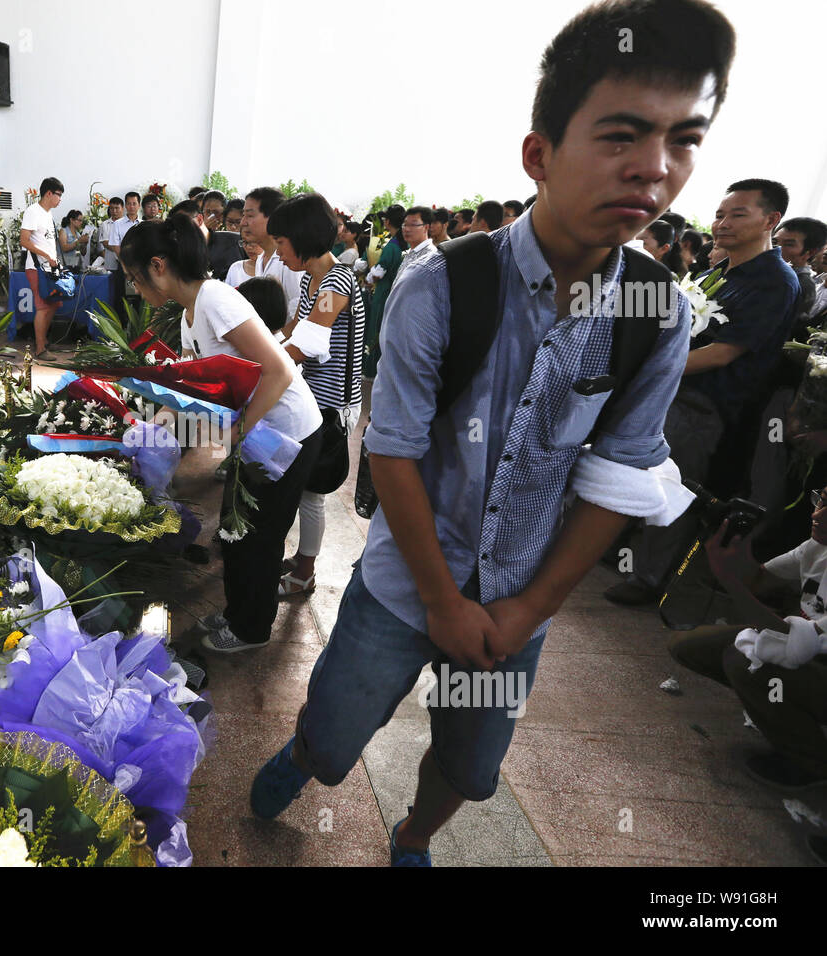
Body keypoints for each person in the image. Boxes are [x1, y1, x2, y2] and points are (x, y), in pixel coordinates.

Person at [251, 0, 734, 866]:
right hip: (408, 581)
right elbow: (393, 448)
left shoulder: (654, 313)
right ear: (539, 155)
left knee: (471, 772)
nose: (655, 170)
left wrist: (525, 610)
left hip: (518, 598)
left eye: (684, 140)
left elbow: (619, 475)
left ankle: (412, 835)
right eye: (622, 135)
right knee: (335, 738)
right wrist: (442, 600)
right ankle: (305, 755)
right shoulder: (443, 285)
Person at [119, 217, 322, 654]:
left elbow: (281, 370)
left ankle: (252, 628)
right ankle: (238, 612)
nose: (135, 288)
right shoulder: (192, 311)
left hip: (287, 434)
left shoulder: (215, 300)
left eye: (135, 277)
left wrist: (239, 429)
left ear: (158, 265)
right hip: (258, 434)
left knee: (260, 536)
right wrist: (154, 423)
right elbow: (204, 384)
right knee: (239, 533)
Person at [607, 180, 802, 606]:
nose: (722, 223)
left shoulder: (773, 281)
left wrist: (647, 366)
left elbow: (723, 353)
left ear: (771, 220)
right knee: (631, 472)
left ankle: (648, 577)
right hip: (672, 389)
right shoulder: (719, 271)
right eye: (720, 214)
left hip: (705, 404)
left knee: (673, 487)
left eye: (737, 214)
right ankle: (616, 553)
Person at [668, 494, 827, 793]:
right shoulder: (816, 547)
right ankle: (785, 712)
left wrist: (729, 580)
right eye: (822, 501)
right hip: (803, 646)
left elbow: (797, 645)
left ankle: (811, 761)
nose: (819, 515)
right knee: (690, 646)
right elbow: (759, 579)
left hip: (812, 654)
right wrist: (739, 549)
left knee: (744, 664)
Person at [268, 193, 367, 598]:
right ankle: (302, 557)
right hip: (313, 399)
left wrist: (263, 367)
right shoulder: (312, 279)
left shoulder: (337, 280)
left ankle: (305, 572)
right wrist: (264, 349)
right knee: (306, 488)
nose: (278, 254)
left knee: (312, 493)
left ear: (302, 237)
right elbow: (292, 328)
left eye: (281, 243)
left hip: (332, 407)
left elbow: (307, 341)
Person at [242, 186, 305, 320]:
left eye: (250, 215)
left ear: (273, 217)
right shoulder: (261, 259)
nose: (243, 222)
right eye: (243, 215)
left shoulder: (290, 263)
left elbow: (299, 318)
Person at [19, 177, 63, 357]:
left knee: (53, 305)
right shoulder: (33, 212)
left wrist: (54, 259)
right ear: (49, 193)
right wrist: (45, 256)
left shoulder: (48, 213)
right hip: (36, 268)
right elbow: (24, 241)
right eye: (58, 195)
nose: (60, 199)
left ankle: (44, 340)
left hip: (50, 268)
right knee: (43, 307)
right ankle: (40, 349)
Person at [365, 206, 410, 378]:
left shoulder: (391, 247)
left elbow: (378, 272)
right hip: (396, 293)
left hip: (383, 293)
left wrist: (369, 278)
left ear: (388, 221)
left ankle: (372, 370)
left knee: (376, 329)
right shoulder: (402, 244)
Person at [168, 198, 243, 281]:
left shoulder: (235, 241)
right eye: (177, 227)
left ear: (199, 219)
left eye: (184, 224)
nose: (181, 231)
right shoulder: (184, 253)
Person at [775, 216, 827, 326]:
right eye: (774, 242)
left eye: (789, 244)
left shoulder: (802, 285)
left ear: (810, 252)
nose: (777, 248)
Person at [224, 225, 262, 289]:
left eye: (253, 242)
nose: (248, 247)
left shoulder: (276, 267)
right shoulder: (236, 268)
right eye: (245, 242)